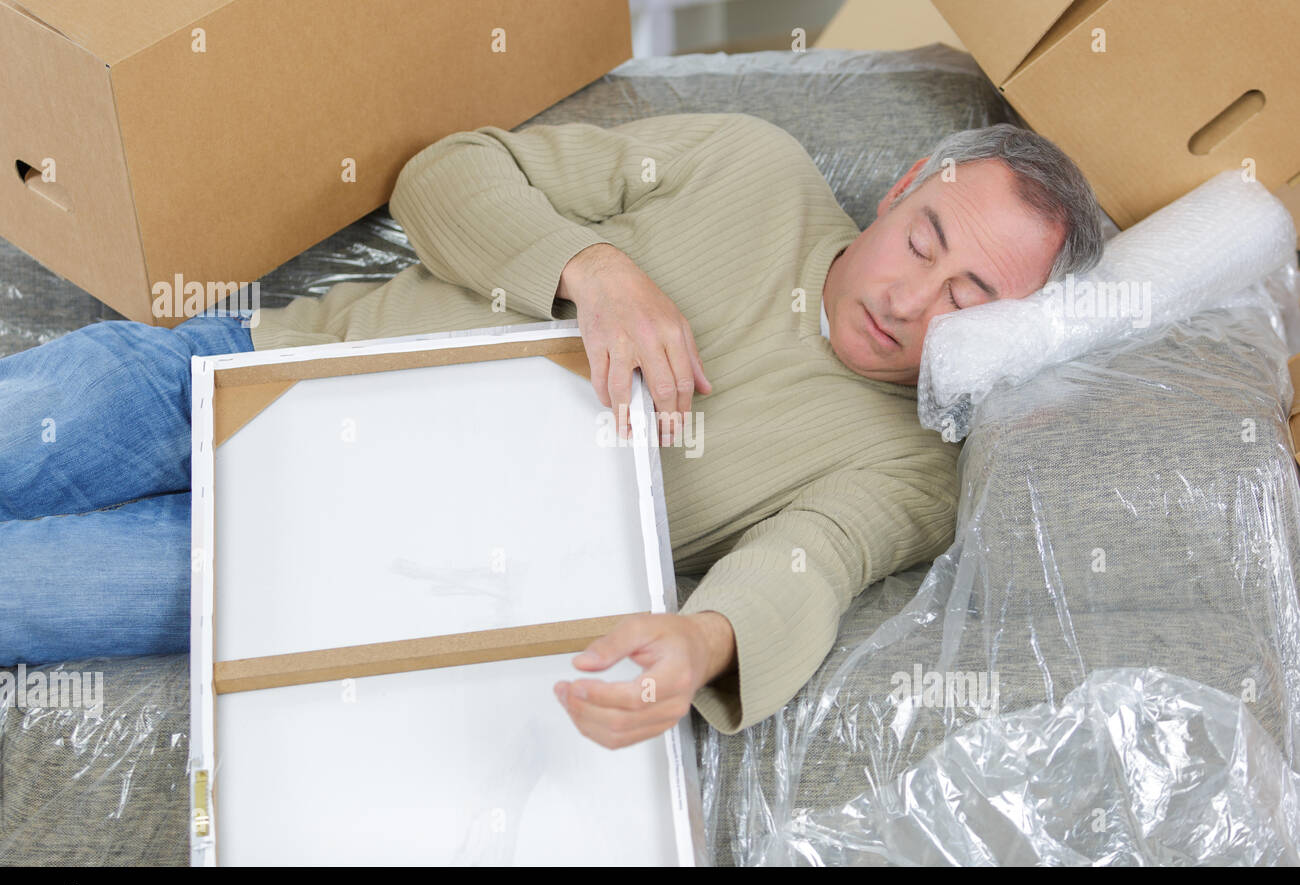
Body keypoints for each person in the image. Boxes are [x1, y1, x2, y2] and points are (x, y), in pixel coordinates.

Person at [0, 114, 1104, 749]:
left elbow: (811, 567)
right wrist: (594, 268)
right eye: (924, 242)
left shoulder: (910, 458)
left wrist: (701, 642)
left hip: (323, 554)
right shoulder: (751, 163)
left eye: (971, 299)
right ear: (904, 185)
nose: (914, 302)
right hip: (253, 369)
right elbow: (451, 173)